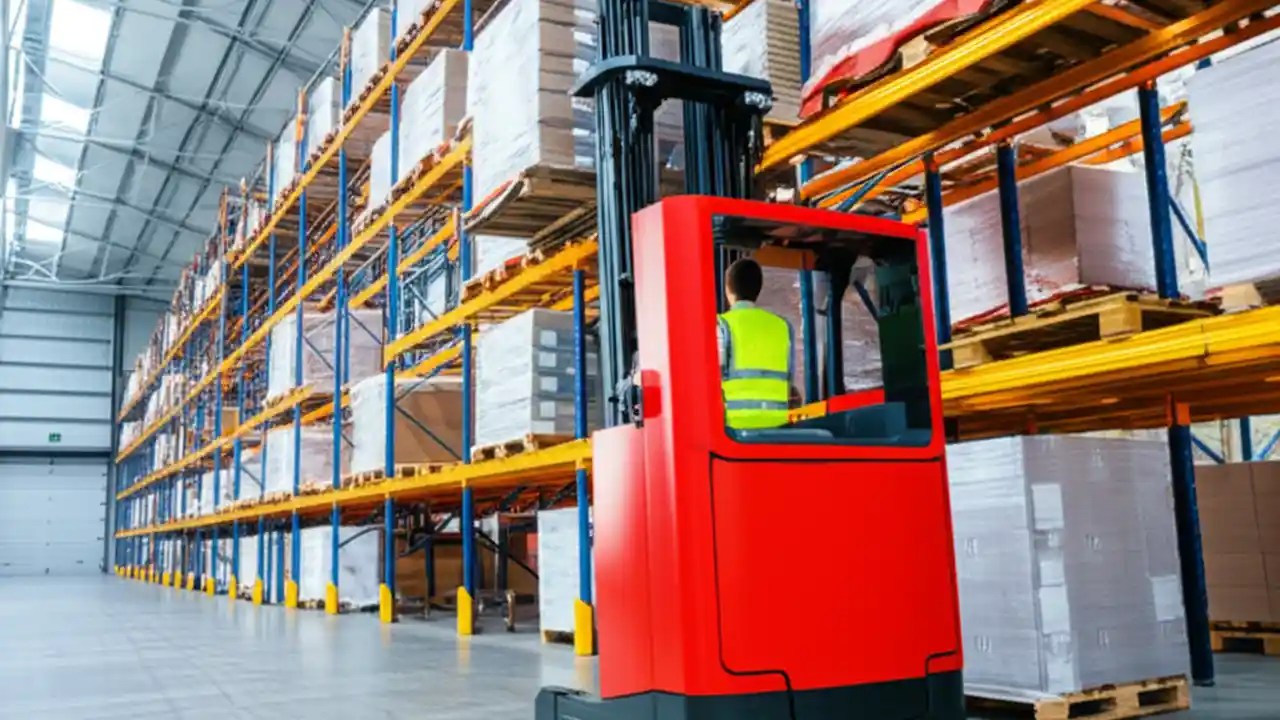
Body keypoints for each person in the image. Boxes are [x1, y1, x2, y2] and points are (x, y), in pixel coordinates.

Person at [717, 258, 795, 430]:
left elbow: (709, 380)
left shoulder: (721, 325)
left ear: (727, 288)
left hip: (732, 430)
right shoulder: (782, 326)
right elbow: (789, 380)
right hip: (776, 427)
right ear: (758, 289)